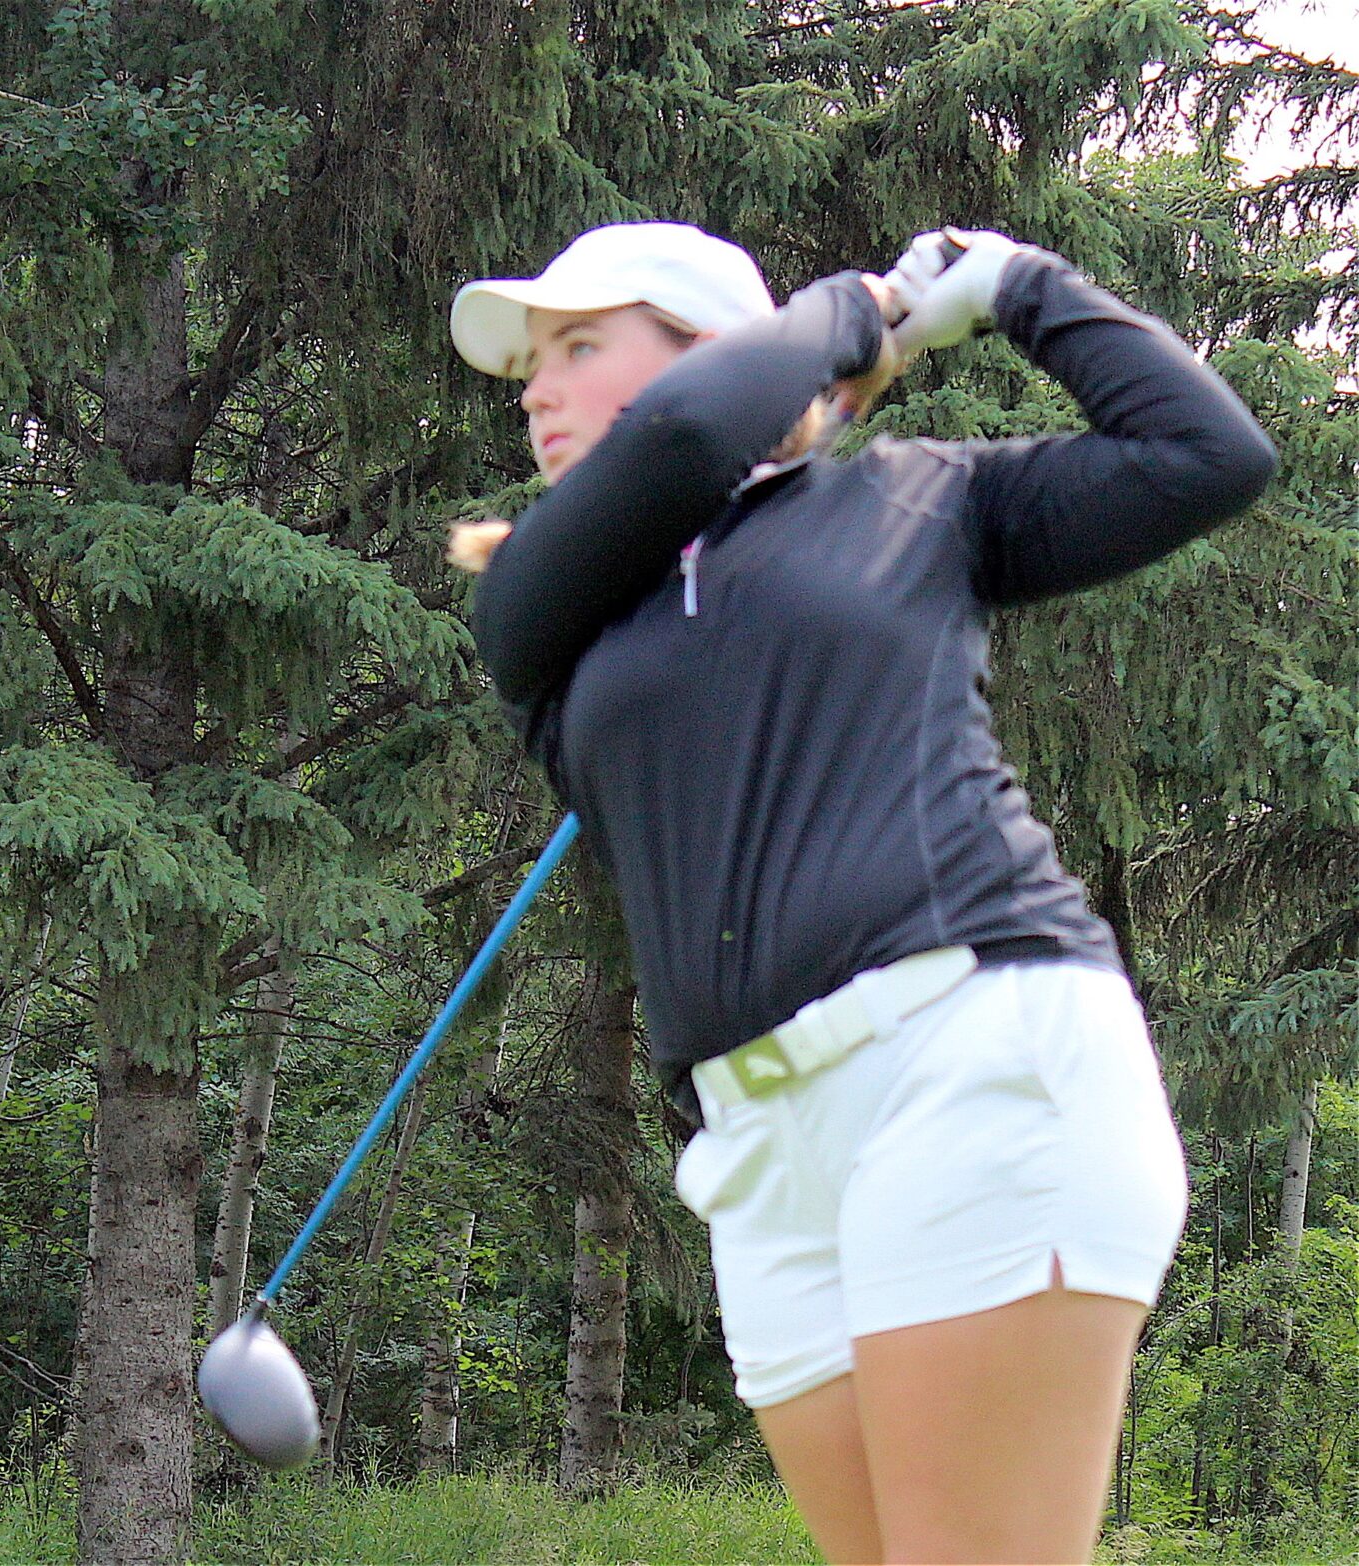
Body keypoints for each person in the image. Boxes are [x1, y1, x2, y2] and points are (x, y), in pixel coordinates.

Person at [445, 221, 1276, 1564]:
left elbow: (1209, 455)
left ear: (723, 355)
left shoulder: (923, 498)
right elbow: (671, 449)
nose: (536, 390)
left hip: (973, 1053)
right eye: (533, 365)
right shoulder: (542, 614)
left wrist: (1013, 287)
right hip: (763, 1157)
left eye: (580, 347)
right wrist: (872, 304)